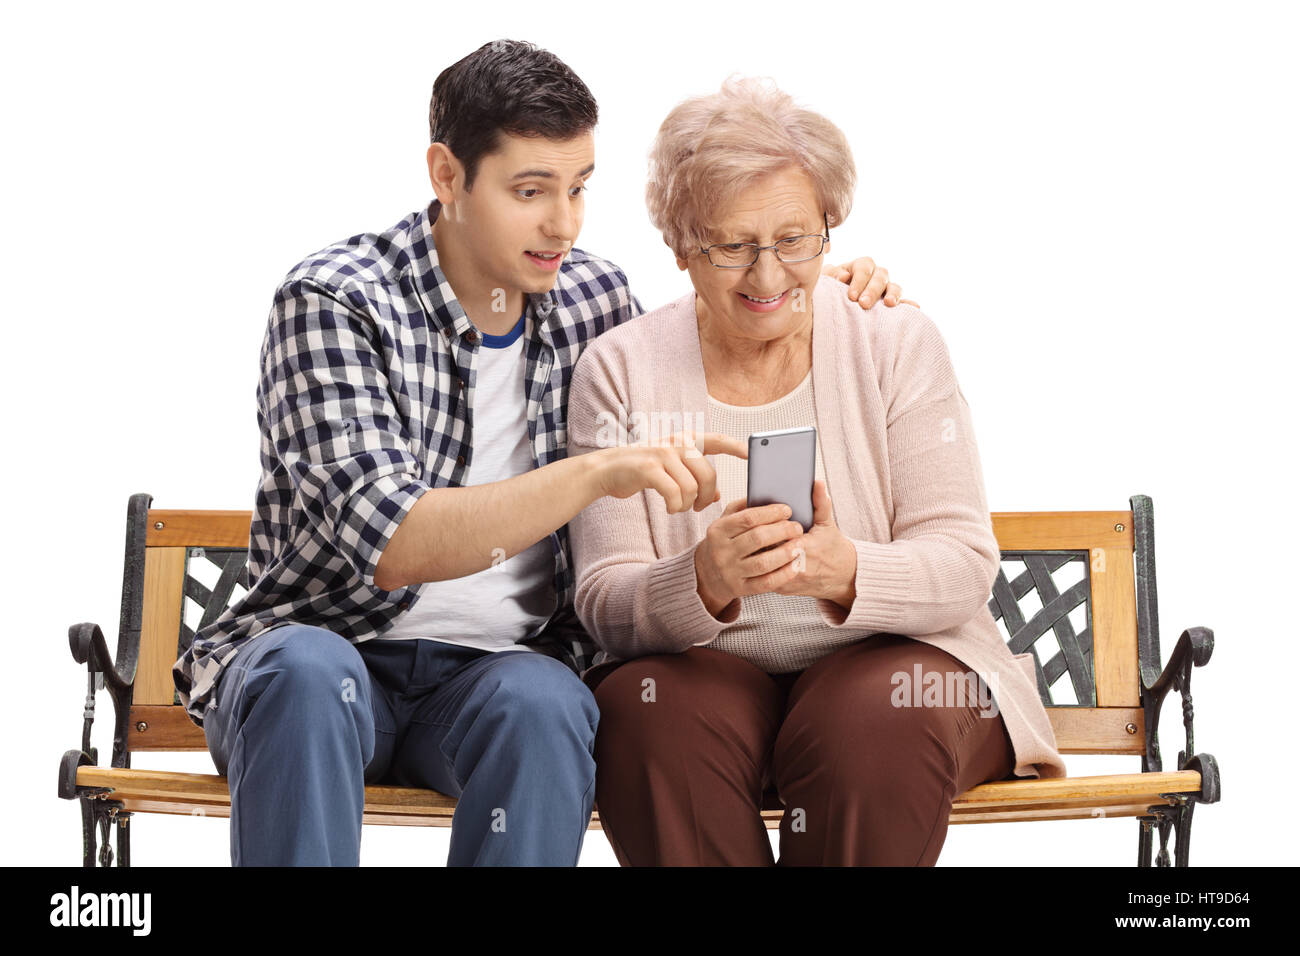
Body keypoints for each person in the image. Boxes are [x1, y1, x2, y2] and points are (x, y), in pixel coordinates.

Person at [172, 41, 908, 866]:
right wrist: (594, 472)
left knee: (545, 701)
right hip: (332, 659)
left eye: (579, 187)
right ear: (447, 175)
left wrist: (817, 279)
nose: (564, 222)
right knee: (306, 676)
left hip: (495, 677)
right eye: (531, 191)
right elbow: (394, 546)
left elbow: (722, 302)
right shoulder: (337, 302)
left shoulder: (593, 298)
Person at [566, 76, 1068, 867]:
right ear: (678, 247)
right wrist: (700, 579)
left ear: (830, 227)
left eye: (796, 240)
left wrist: (849, 570)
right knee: (644, 717)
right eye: (732, 246)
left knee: (872, 723)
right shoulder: (619, 371)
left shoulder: (892, 340)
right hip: (707, 678)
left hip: (895, 666)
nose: (769, 280)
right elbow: (602, 599)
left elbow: (964, 563)